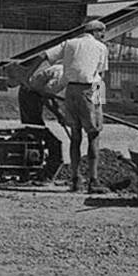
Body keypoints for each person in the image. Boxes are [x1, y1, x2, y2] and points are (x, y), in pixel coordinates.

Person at [44, 19, 109, 193]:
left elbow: (45, 55)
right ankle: (93, 180)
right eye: (102, 33)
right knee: (94, 135)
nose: (103, 36)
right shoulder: (100, 47)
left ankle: (75, 180)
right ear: (96, 31)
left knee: (75, 136)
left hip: (70, 90)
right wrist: (100, 104)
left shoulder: (70, 43)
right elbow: (100, 75)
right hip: (90, 89)